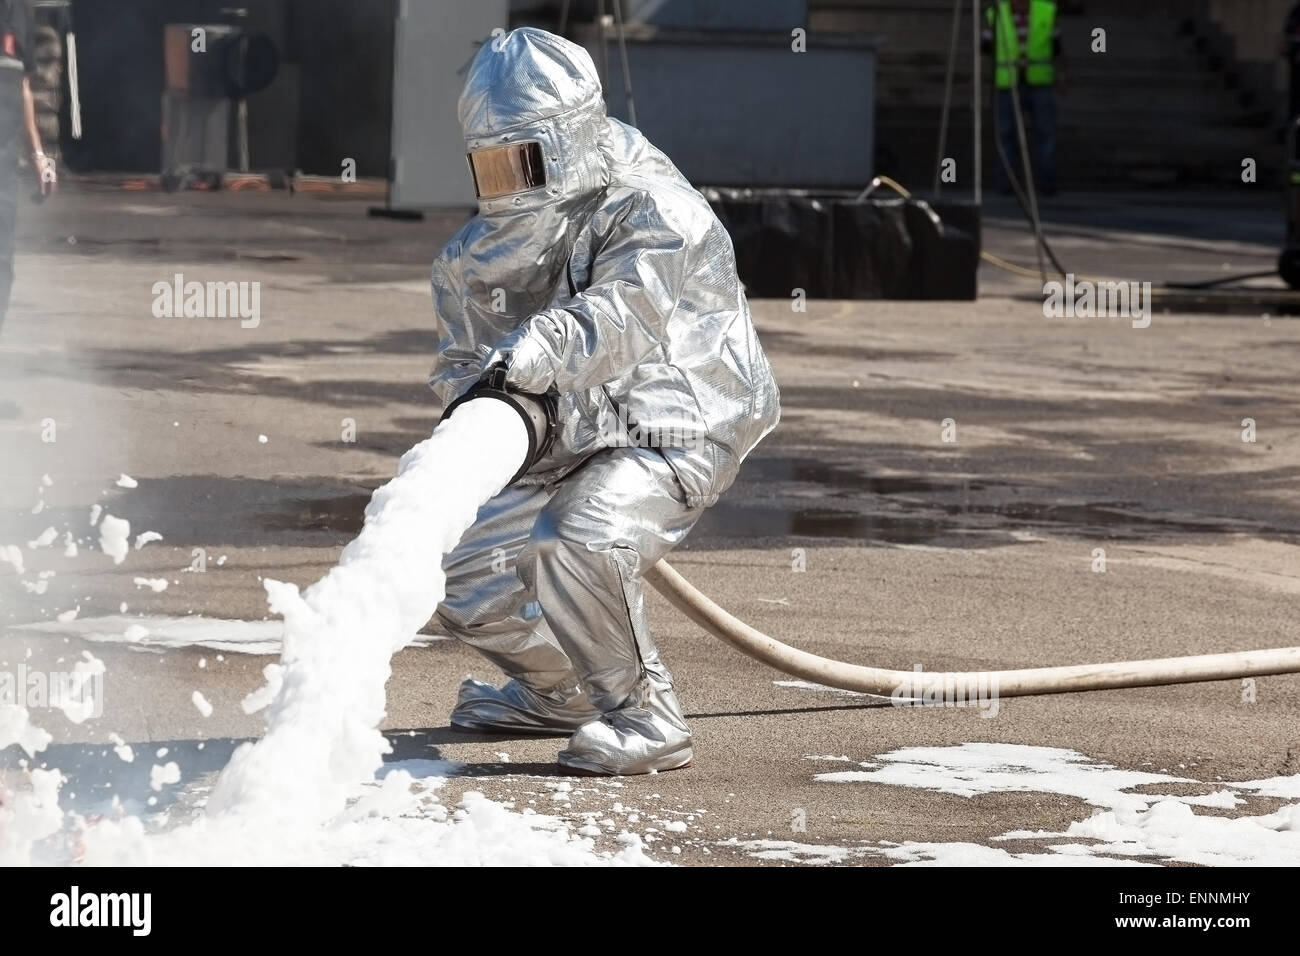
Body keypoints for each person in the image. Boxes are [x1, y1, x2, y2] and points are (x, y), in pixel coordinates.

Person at [426, 28, 780, 775]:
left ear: (569, 140)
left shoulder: (656, 211)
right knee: (457, 566)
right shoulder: (471, 255)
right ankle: (560, 692)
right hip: (567, 425)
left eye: (522, 159)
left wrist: (532, 354)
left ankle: (645, 717)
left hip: (677, 414)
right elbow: (461, 364)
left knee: (578, 535)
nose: (506, 183)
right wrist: (472, 417)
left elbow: (621, 319)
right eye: (490, 163)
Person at [0, 0, 56, 332]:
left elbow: (23, 86)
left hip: (4, 157)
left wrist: (38, 155)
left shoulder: (19, 11)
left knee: (3, 257)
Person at [983, 0, 1063, 196]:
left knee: (1045, 134)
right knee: (1005, 135)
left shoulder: (1046, 10)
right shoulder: (995, 13)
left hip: (1039, 81)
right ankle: (1006, 184)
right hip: (1007, 83)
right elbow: (985, 49)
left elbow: (1057, 48)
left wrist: (1061, 75)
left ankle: (1047, 184)